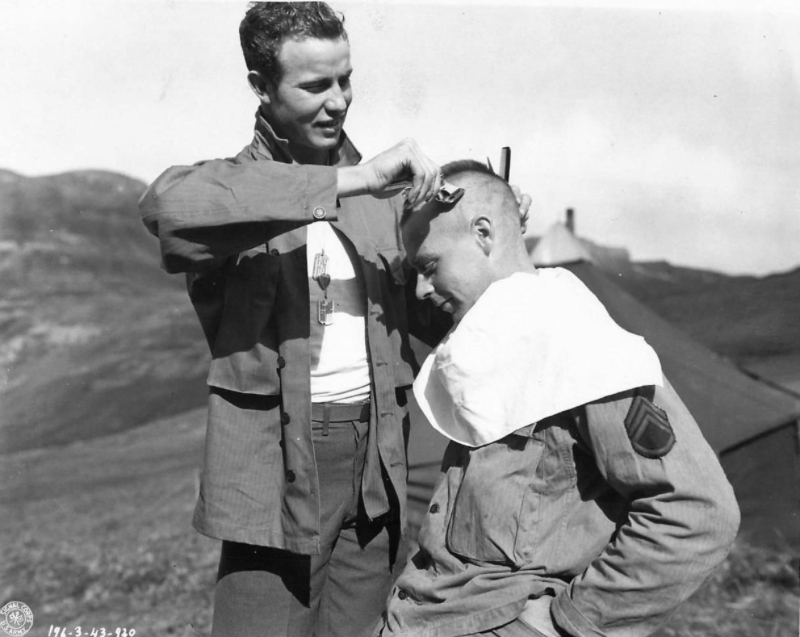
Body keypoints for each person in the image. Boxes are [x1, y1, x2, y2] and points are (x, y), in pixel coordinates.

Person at [138, 3, 494, 636]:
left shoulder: (388, 201)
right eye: (314, 85)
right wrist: (347, 181)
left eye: (345, 79)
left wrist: (499, 229)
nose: (338, 102)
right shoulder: (234, 193)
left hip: (379, 461)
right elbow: (166, 209)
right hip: (276, 469)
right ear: (261, 88)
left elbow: (441, 312)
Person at [379, 160, 741, 637]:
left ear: (484, 235)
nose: (422, 289)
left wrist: (566, 622)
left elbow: (697, 513)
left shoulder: (579, 343)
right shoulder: (486, 335)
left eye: (429, 267)